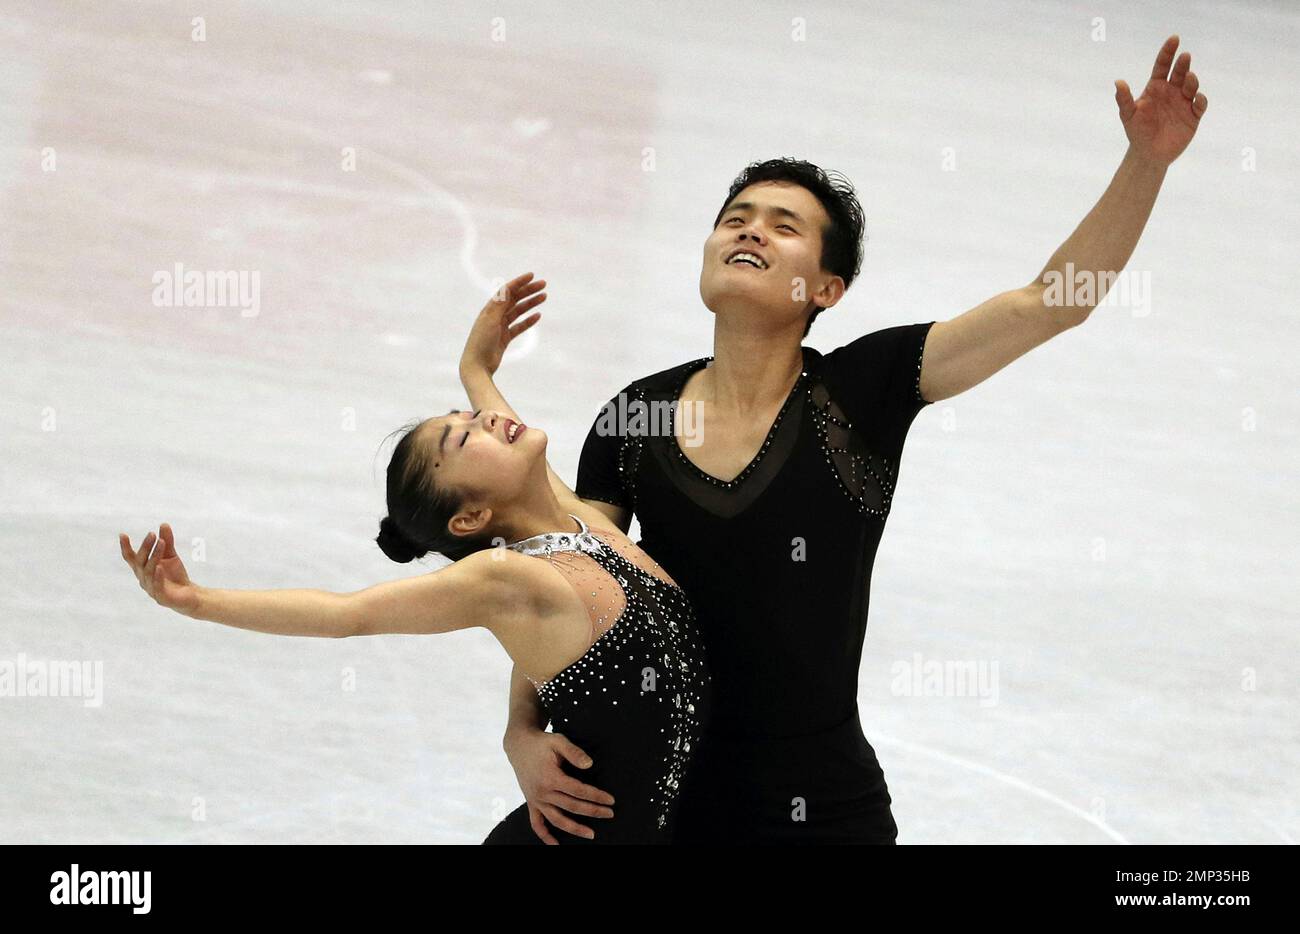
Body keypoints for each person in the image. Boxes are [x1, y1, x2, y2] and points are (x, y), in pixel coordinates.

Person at [498, 35, 1208, 843]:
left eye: (785, 227)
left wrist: (1145, 163)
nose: (753, 231)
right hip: (644, 781)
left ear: (827, 289)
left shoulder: (860, 393)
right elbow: (560, 580)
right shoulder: (637, 416)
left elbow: (1052, 301)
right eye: (736, 218)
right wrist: (523, 731)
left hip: (814, 801)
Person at [117, 274, 712, 845]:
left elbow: (510, 434)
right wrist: (195, 601)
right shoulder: (506, 576)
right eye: (464, 437)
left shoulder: (583, 527)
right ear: (469, 520)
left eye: (469, 415)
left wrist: (476, 369)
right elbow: (347, 614)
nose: (486, 419)